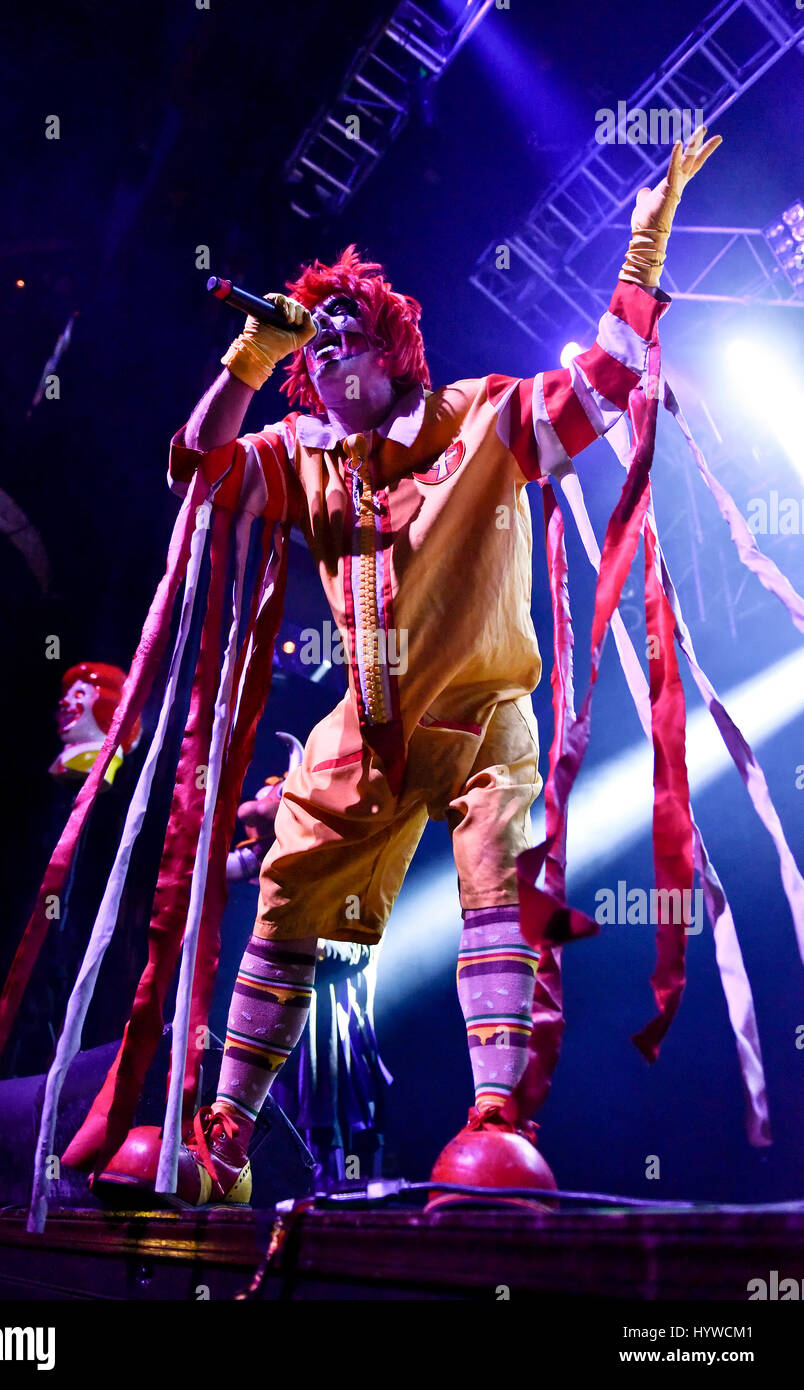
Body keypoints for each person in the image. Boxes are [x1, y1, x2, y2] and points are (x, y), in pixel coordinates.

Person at [101, 127, 721, 1206]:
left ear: (395, 352)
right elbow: (196, 473)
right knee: (289, 895)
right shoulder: (305, 457)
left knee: (495, 873)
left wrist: (642, 249)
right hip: (368, 727)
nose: (328, 350)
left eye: (350, 332)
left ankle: (497, 1119)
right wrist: (249, 358)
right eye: (316, 342)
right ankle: (226, 1144)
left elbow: (604, 387)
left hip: (480, 717)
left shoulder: (480, 415)